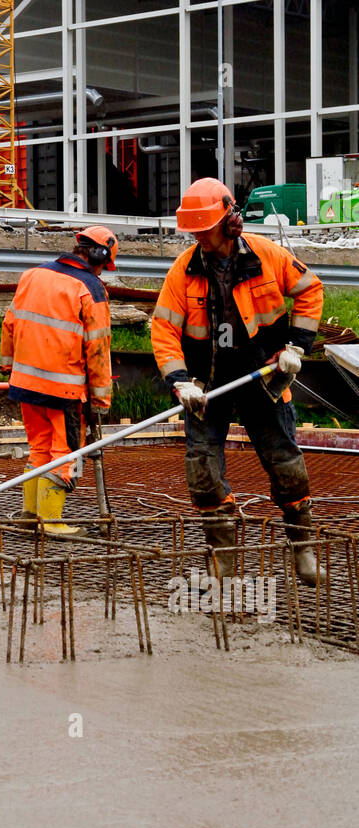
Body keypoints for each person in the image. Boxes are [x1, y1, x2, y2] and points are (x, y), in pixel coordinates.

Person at [151, 177, 324, 583]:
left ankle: (303, 548)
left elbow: (310, 290)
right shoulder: (184, 270)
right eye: (193, 229)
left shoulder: (267, 256)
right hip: (206, 386)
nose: (198, 236)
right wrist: (181, 382)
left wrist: (296, 347)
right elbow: (163, 330)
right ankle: (223, 559)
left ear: (230, 222)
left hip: (262, 378)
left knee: (284, 461)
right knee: (202, 469)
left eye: (204, 228)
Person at [0, 227, 115, 537]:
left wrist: (7, 365)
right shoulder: (91, 289)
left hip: (25, 383)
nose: (103, 272)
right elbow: (98, 348)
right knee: (66, 454)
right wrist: (102, 401)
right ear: (99, 257)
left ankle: (30, 515)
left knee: (39, 448)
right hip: (63, 390)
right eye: (105, 265)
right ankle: (51, 522)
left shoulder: (33, 275)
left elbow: (10, 322)